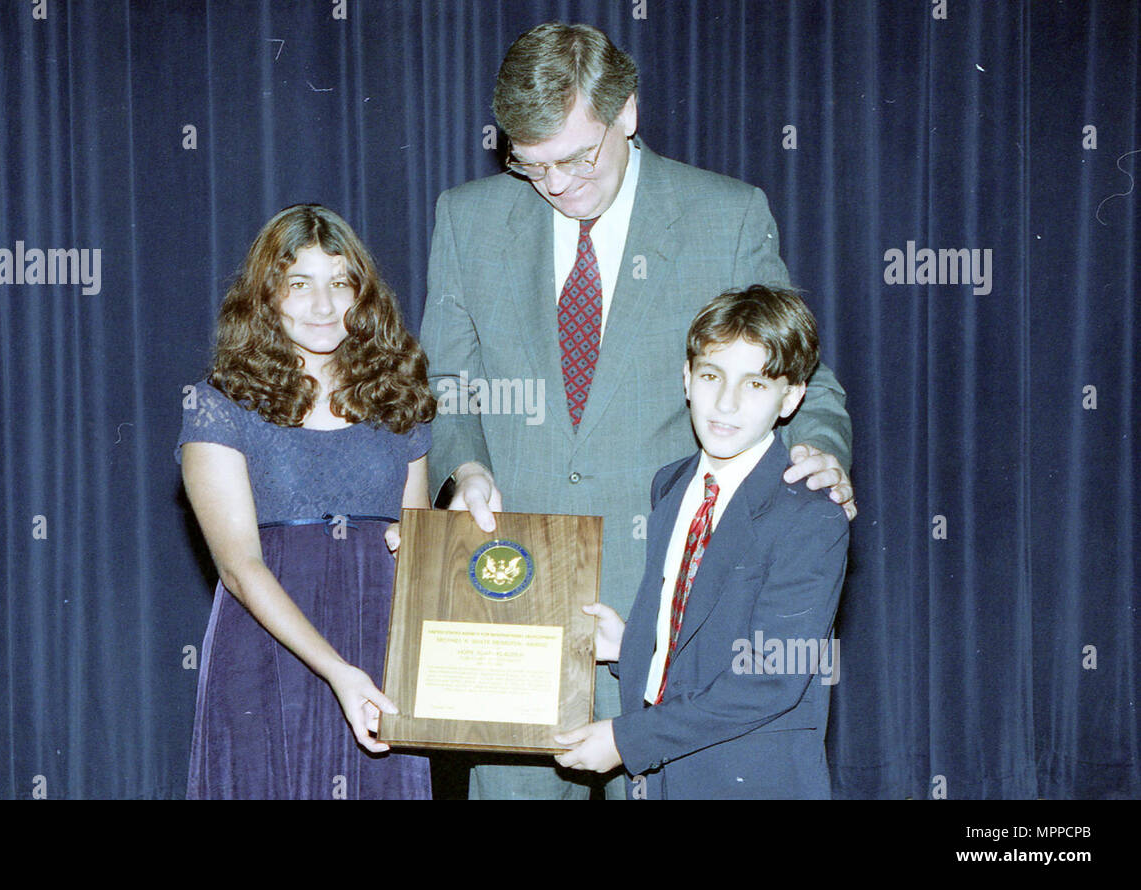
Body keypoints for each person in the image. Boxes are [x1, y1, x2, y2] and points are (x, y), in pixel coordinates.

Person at [419, 22, 855, 799]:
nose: (556, 184)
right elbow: (446, 385)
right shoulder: (467, 218)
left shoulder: (726, 215)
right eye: (531, 163)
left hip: (664, 620)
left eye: (576, 158)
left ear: (627, 113)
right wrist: (466, 463)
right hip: (517, 605)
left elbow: (804, 377)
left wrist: (820, 450)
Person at [177, 204, 435, 799]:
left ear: (362, 295)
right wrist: (337, 673)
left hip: (378, 653)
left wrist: (421, 540)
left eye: (340, 283)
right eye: (300, 284)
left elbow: (417, 543)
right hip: (267, 653)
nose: (324, 306)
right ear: (266, 296)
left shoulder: (401, 397)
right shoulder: (219, 405)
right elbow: (240, 568)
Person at [554, 284, 849, 799]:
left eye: (756, 384)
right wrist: (631, 647)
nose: (727, 403)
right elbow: (697, 637)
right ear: (687, 379)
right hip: (664, 782)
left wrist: (627, 740)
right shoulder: (670, 486)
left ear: (792, 397)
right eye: (712, 376)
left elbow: (770, 680)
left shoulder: (810, 516)